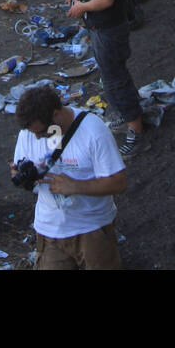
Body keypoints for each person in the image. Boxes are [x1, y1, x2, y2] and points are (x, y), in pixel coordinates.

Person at [12, 82, 126, 272]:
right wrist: (21, 177)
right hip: (49, 229)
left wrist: (76, 186)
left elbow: (120, 182)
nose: (38, 138)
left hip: (91, 229)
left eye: (41, 132)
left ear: (56, 114)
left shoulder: (93, 131)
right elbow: (20, 169)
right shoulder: (29, 132)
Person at [66, 0, 145, 157]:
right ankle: (129, 115)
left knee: (115, 79)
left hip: (109, 28)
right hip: (106, 26)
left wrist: (82, 7)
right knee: (114, 76)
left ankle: (136, 130)